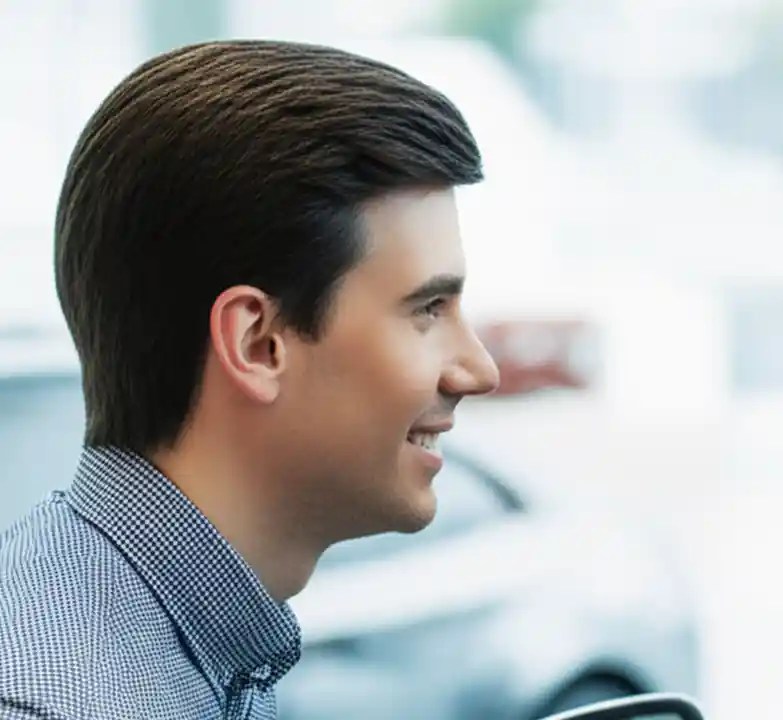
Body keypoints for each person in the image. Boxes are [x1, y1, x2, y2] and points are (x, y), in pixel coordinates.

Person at [0, 39, 501, 719]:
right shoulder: (68, 701)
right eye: (428, 310)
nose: (479, 370)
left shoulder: (167, 649)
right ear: (258, 344)